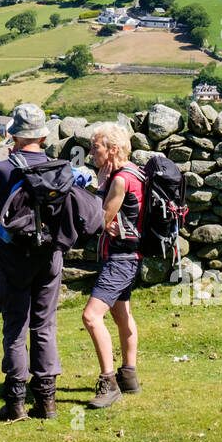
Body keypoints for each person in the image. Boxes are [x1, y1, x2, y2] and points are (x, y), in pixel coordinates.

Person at [0, 103, 63, 421]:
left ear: (13, 135)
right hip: (50, 256)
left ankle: (16, 402)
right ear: (42, 136)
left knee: (15, 325)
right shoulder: (59, 168)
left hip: (13, 254)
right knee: (44, 325)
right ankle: (47, 403)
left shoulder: (2, 171)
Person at [81, 122, 142, 409]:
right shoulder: (135, 172)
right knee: (122, 314)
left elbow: (99, 221)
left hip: (119, 260)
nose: (91, 153)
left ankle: (109, 383)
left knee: (91, 317)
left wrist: (99, 187)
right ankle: (129, 375)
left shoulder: (119, 180)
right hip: (130, 257)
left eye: (96, 148)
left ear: (112, 150)